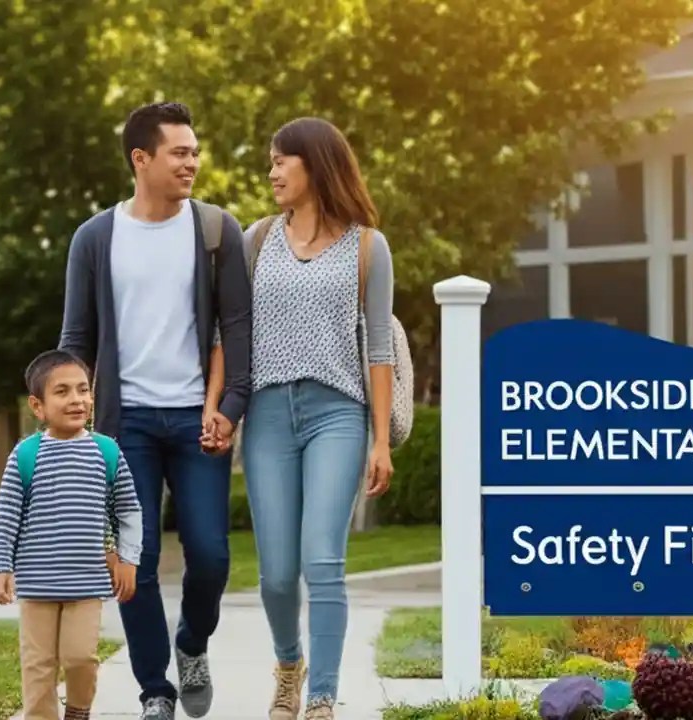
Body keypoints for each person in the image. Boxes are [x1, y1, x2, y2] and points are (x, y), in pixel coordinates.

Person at [59, 101, 252, 720]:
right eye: (180, 152)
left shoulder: (218, 231)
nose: (192, 162)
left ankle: (192, 643)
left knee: (212, 555)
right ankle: (155, 690)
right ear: (141, 159)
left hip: (199, 421)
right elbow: (76, 340)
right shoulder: (95, 238)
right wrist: (70, 416)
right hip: (126, 426)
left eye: (195, 152)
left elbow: (238, 328)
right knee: (132, 564)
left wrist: (231, 406)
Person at [236, 117, 396, 720]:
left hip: (338, 412)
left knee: (322, 560)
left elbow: (378, 346)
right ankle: (289, 667)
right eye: (271, 161)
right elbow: (232, 335)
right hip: (269, 415)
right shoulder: (255, 241)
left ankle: (323, 695)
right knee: (277, 573)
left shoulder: (366, 246)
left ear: (317, 165)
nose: (273, 172)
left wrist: (380, 439)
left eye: (283, 161)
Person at [0, 349, 143, 720]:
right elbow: (7, 515)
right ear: (37, 406)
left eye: (83, 390)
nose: (76, 400)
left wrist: (128, 559)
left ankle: (78, 710)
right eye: (62, 392)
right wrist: (0, 566)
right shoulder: (25, 455)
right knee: (38, 664)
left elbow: (127, 509)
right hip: (38, 585)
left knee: (80, 658)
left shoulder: (106, 452)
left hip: (87, 583)